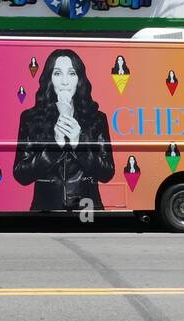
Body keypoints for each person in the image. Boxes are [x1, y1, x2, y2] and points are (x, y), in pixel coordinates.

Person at [13, 49, 115, 211]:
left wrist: (78, 144)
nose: (65, 82)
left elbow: (107, 172)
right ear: (50, 79)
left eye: (72, 73)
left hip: (87, 207)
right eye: (58, 73)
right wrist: (55, 146)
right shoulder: (30, 118)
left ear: (79, 79)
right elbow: (21, 174)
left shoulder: (97, 118)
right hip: (45, 208)